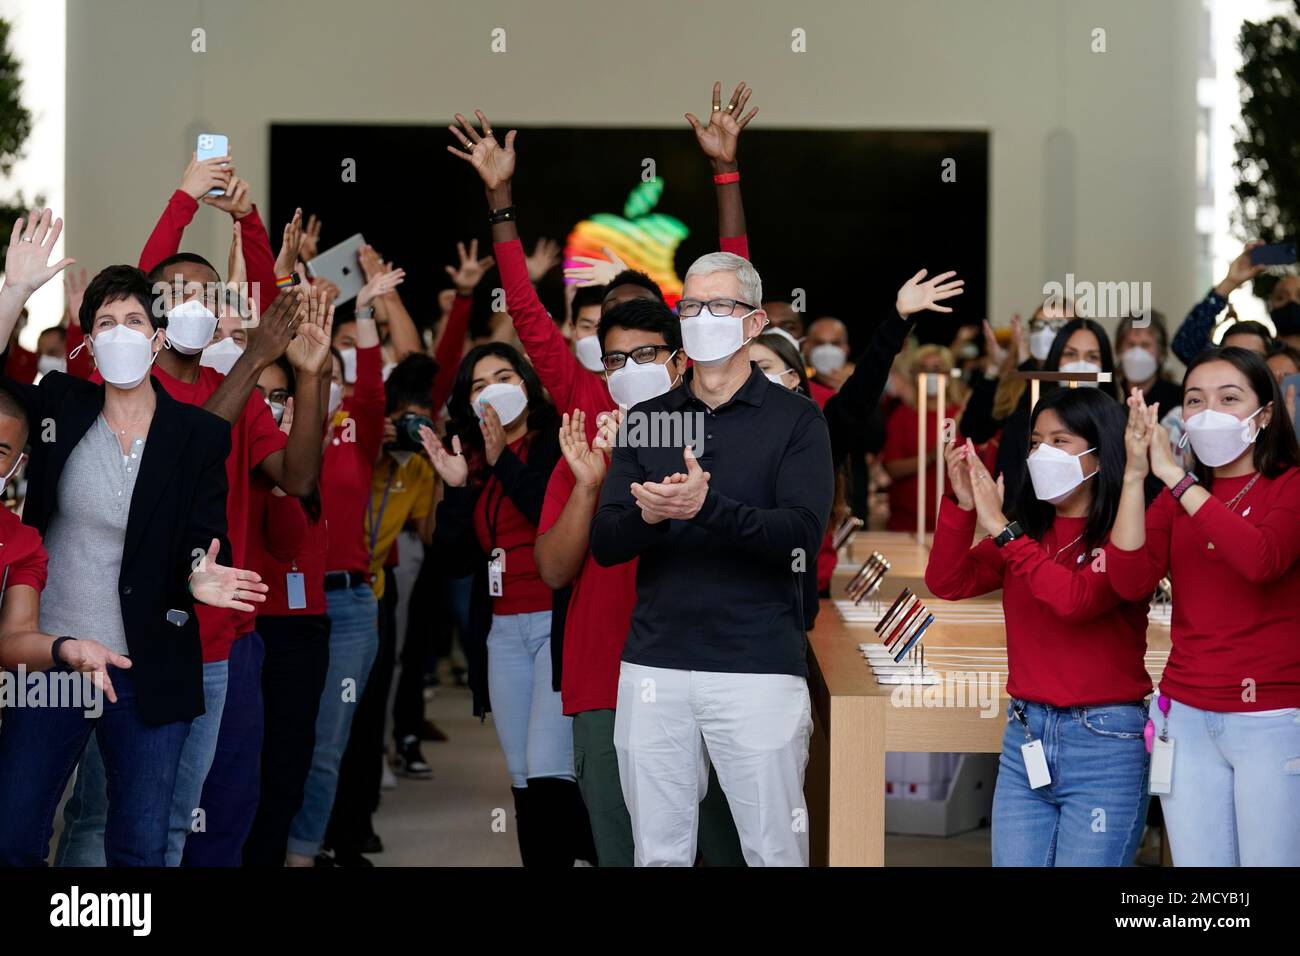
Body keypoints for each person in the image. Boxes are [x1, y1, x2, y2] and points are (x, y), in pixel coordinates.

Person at [0, 212, 264, 866]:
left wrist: (202, 574)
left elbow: (205, 536)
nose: (121, 334)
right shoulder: (60, 403)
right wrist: (14, 293)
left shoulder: (198, 435)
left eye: (135, 322)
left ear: (158, 338)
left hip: (148, 667)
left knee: (141, 845)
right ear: (87, 343)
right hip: (53, 659)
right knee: (13, 834)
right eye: (105, 324)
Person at [591, 250, 833, 866]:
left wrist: (708, 508)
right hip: (655, 666)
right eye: (691, 306)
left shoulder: (797, 420)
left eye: (718, 306)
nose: (702, 317)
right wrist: (651, 514)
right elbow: (607, 541)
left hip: (757, 667)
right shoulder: (647, 420)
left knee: (773, 850)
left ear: (753, 323)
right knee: (659, 853)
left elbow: (802, 533)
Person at [533, 297, 744, 867]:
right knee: (622, 851)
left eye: (644, 354)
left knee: (726, 847)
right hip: (605, 680)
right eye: (614, 360)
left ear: (680, 362)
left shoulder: (724, 439)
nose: (628, 369)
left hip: (708, 676)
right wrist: (588, 487)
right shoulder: (585, 452)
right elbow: (553, 569)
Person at [925, 388, 1152, 865]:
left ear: (1098, 453)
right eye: (1034, 442)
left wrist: (1003, 530)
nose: (1042, 453)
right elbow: (947, 580)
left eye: (1060, 441)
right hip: (1026, 733)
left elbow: (1077, 601)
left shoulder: (1125, 534)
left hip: (1105, 741)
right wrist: (963, 504)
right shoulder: (1028, 534)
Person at [1109, 347, 1300, 866]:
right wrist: (1133, 475)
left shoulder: (1290, 485)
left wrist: (1177, 478)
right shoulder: (1176, 497)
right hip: (1185, 714)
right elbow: (1129, 581)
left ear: (1264, 415)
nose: (1208, 412)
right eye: (1195, 400)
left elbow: (1261, 559)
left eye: (1229, 398)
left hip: (1272, 715)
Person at [421, 342, 586, 865]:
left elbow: (550, 512)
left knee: (548, 768)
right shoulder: (473, 461)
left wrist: (501, 464)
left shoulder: (557, 444)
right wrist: (456, 487)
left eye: (506, 376)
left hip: (555, 628)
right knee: (521, 774)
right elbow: (455, 560)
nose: (493, 388)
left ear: (527, 385)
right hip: (502, 633)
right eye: (478, 383)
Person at [326, 353, 437, 861]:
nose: (413, 429)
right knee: (329, 725)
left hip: (375, 593)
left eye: (424, 420)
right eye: (405, 420)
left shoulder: (417, 470)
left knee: (368, 717)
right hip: (331, 592)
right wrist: (372, 442)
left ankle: (356, 823)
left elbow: (430, 534)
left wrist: (440, 464)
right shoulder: (358, 449)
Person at [286, 307, 387, 868]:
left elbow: (372, 385)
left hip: (347, 604)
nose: (328, 379)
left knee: (326, 744)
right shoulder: (274, 418)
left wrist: (366, 310)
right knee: (275, 738)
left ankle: (302, 854)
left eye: (337, 370)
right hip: (281, 603)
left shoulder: (358, 424)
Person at [994, 317, 1118, 504]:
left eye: (1093, 356)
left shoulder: (1120, 422)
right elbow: (1010, 496)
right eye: (1070, 354)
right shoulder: (1023, 422)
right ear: (1055, 359)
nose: (1081, 364)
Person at [880, 344, 965, 533]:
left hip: (954, 520)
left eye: (937, 369)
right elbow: (892, 467)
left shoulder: (961, 416)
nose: (930, 375)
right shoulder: (903, 415)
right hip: (907, 521)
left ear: (949, 373)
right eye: (924, 369)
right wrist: (931, 457)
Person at [1114, 311, 1180, 413]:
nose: (1137, 353)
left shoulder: (1178, 398)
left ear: (1161, 352)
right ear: (1118, 350)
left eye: (1145, 345)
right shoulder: (1110, 394)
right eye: (1131, 344)